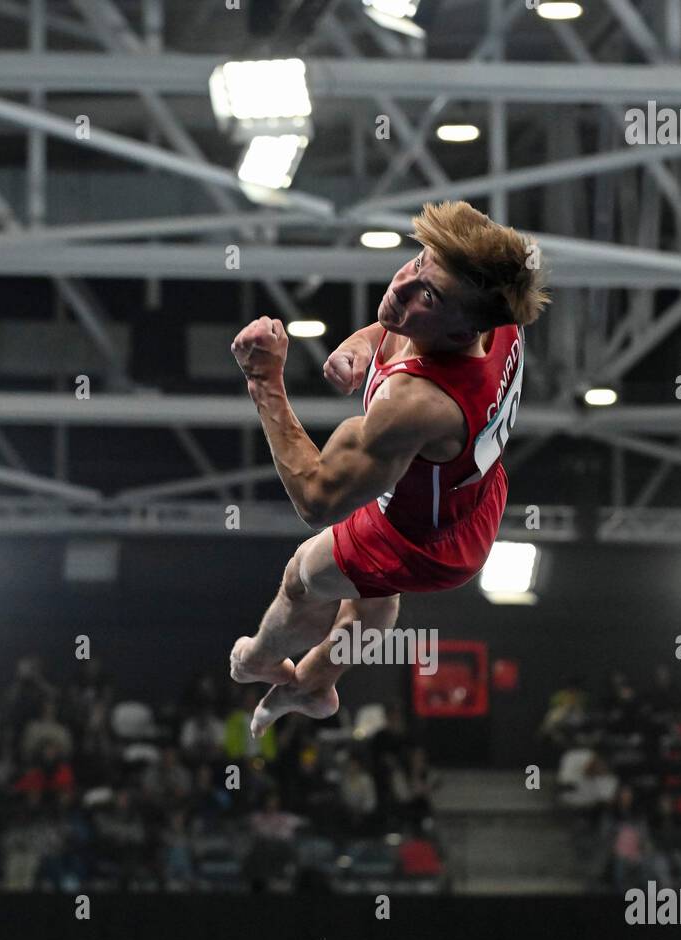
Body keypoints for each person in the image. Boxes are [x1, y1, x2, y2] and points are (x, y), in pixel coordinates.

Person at [227, 200, 548, 735]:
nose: (402, 286)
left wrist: (264, 380)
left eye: (429, 293)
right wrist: (359, 347)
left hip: (420, 539)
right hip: (472, 495)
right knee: (368, 599)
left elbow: (316, 497)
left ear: (462, 326)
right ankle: (311, 687)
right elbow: (392, 326)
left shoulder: (414, 405)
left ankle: (260, 659)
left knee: (304, 575)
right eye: (418, 261)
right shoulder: (492, 310)